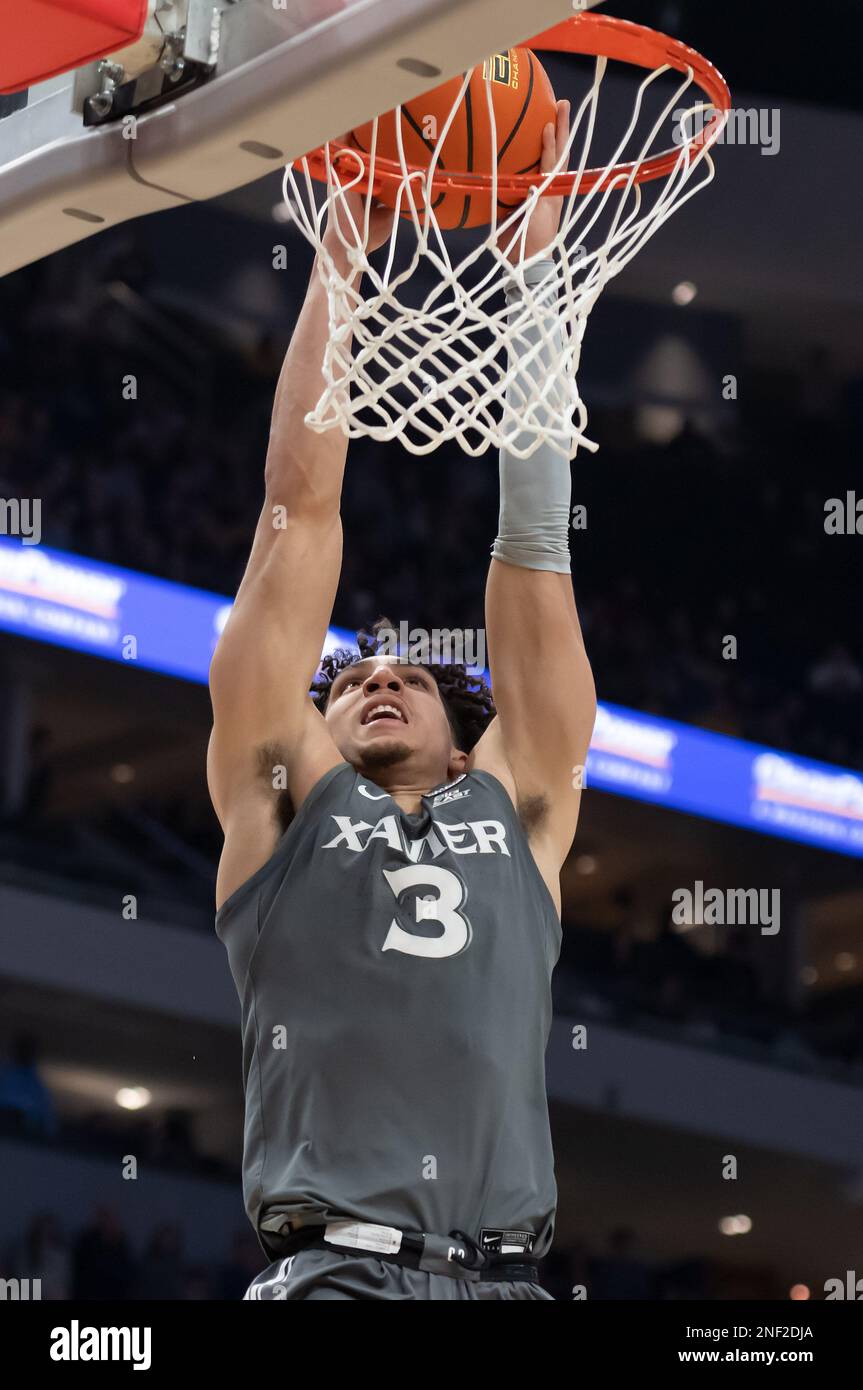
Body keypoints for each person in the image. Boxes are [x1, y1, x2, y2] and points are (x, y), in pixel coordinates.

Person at [208, 100, 595, 1301]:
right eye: (352, 679)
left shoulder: (520, 805)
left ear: (461, 731)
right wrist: (342, 259)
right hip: (335, 1274)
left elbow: (534, 540)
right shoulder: (281, 801)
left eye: (411, 676)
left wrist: (534, 274)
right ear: (308, 726)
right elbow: (298, 510)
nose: (378, 675)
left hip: (507, 1280)